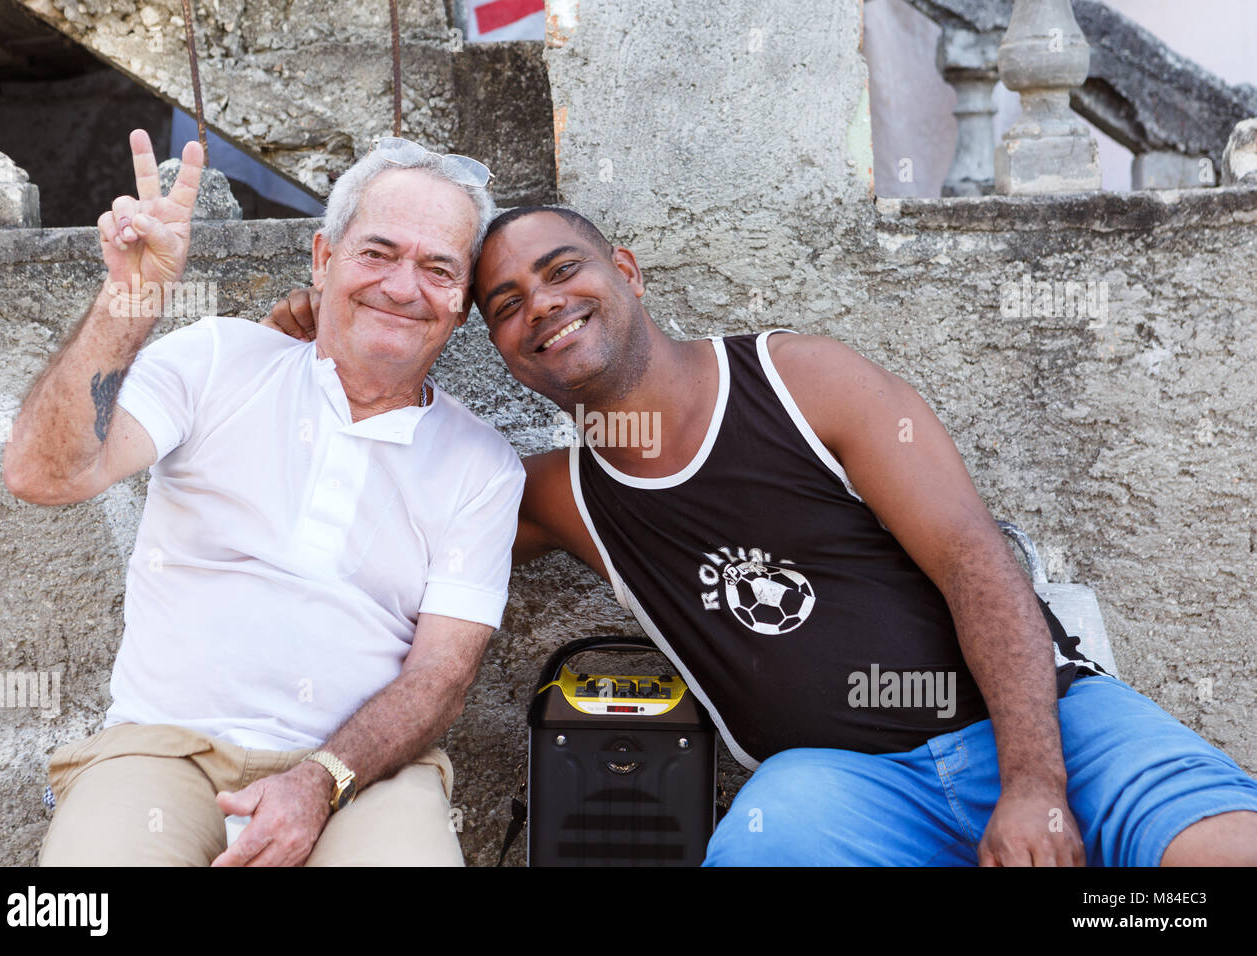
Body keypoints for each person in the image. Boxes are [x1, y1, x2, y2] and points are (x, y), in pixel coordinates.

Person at [266, 205, 1257, 866]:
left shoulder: (799, 379)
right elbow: (387, 499)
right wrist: (342, 353)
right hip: (841, 785)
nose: (542, 308)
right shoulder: (563, 493)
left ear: (625, 270)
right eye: (506, 305)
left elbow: (973, 558)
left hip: (1042, 721)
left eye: (561, 270)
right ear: (506, 354)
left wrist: (1036, 783)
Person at [2, 130, 525, 867]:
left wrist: (319, 779)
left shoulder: (483, 465)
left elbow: (440, 679)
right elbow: (41, 474)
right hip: (162, 751)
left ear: (463, 301)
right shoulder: (217, 359)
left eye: (438, 268)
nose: (403, 287)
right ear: (323, 258)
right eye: (377, 253)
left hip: (359, 775)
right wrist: (131, 299)